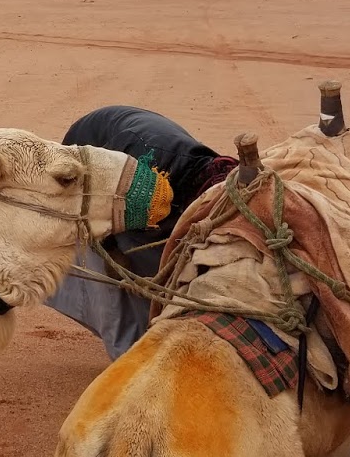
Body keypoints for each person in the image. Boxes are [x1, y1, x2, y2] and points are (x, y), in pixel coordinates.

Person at [47, 106, 236, 359]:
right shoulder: (136, 164)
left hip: (149, 184)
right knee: (116, 277)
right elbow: (89, 199)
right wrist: (111, 249)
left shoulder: (206, 175)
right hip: (90, 176)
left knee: (165, 270)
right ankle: (131, 356)